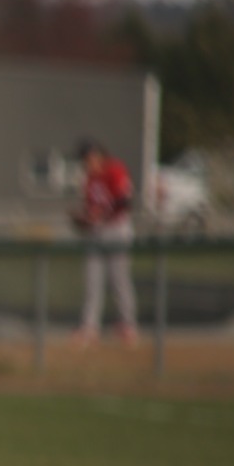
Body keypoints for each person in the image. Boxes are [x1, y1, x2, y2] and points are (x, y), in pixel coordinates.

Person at [70, 138, 138, 347]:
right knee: (92, 280)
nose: (86, 162)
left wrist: (100, 214)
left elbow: (125, 200)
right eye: (83, 159)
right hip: (97, 232)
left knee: (119, 279)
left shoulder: (114, 169)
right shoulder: (89, 178)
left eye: (87, 157)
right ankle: (90, 327)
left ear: (98, 155)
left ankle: (127, 326)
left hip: (117, 229)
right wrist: (84, 219)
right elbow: (92, 209)